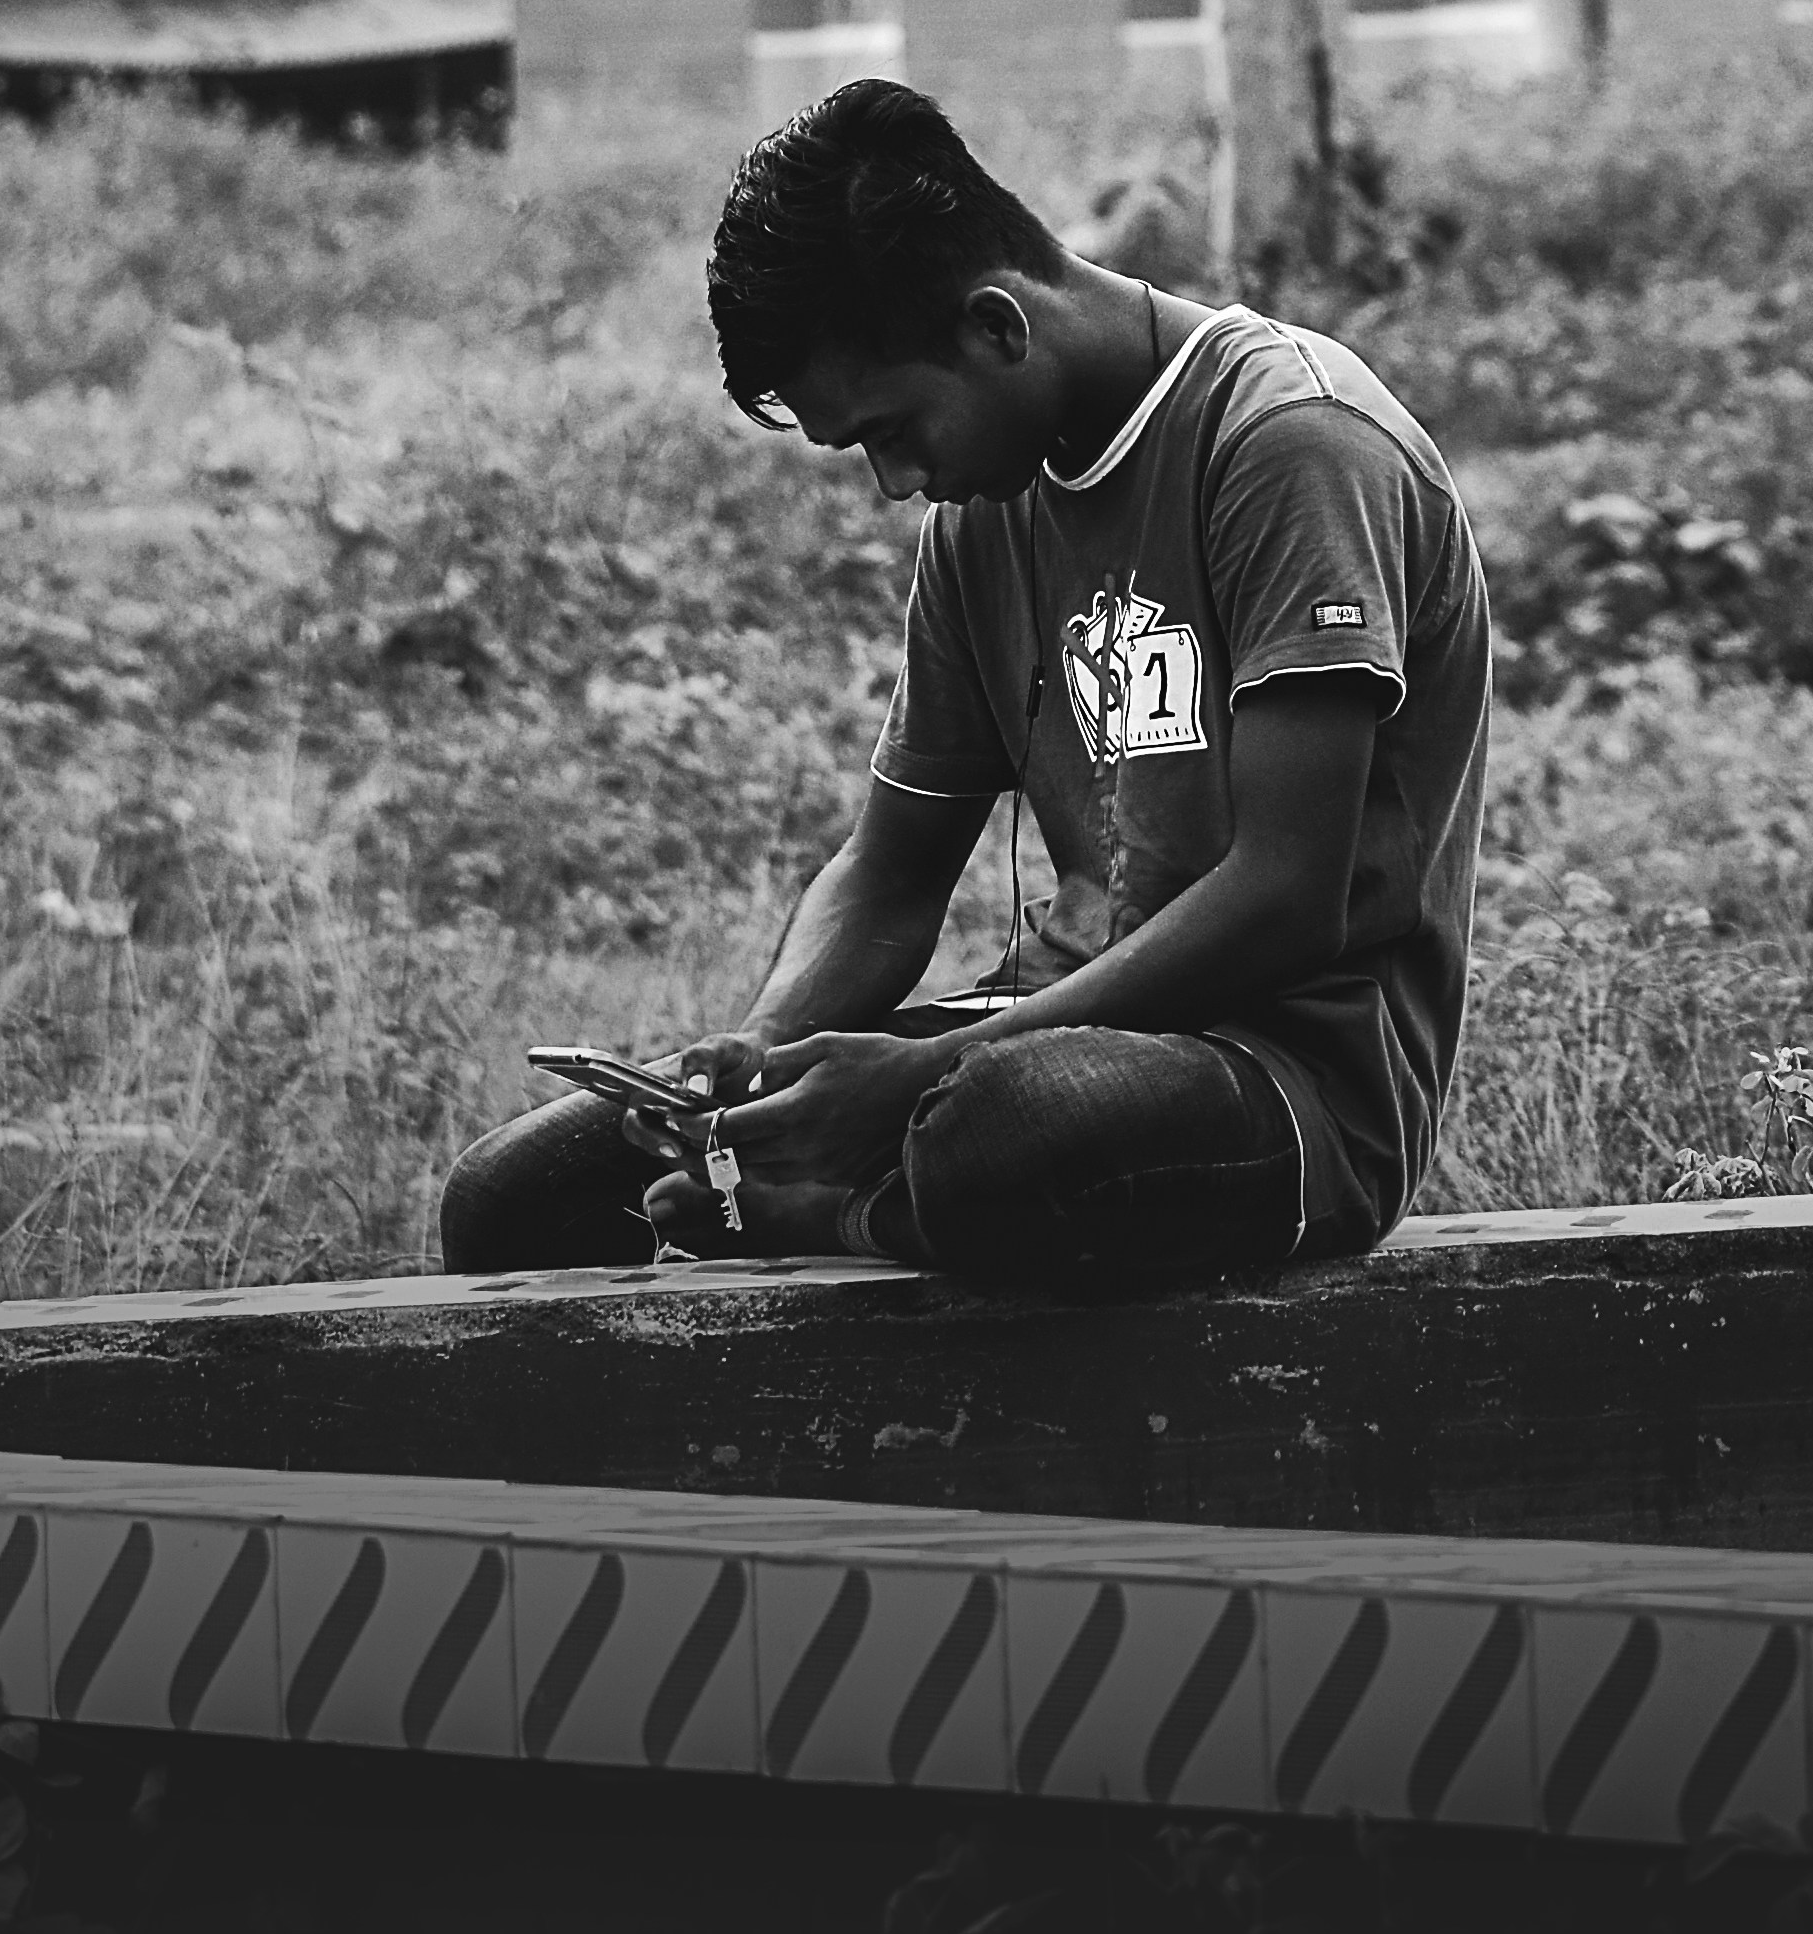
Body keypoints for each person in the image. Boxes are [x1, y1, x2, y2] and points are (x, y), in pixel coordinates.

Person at [439, 80, 1492, 1296]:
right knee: (514, 1198)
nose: (896, 482)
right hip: (1031, 1044)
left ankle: (838, 1217)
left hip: (1287, 1088)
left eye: (893, 429)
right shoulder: (983, 511)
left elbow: (1289, 892)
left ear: (998, 327)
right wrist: (759, 1061)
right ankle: (856, 1195)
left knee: (999, 1134)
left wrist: (928, 1078)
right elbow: (891, 871)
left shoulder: (1290, 442)